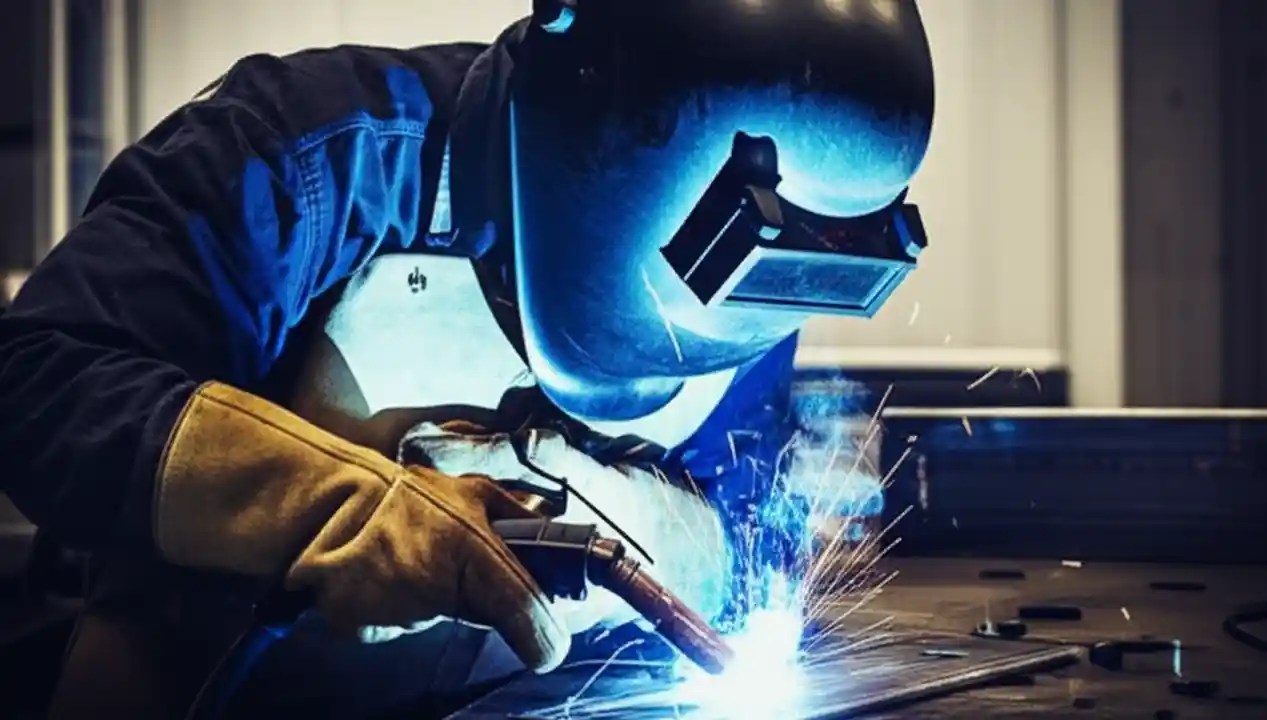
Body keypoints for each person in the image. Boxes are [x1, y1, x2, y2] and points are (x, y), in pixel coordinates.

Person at [0, 1, 935, 717]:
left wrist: (663, 529)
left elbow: (753, 523)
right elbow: (42, 376)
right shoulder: (321, 154)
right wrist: (343, 503)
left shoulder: (777, 269)